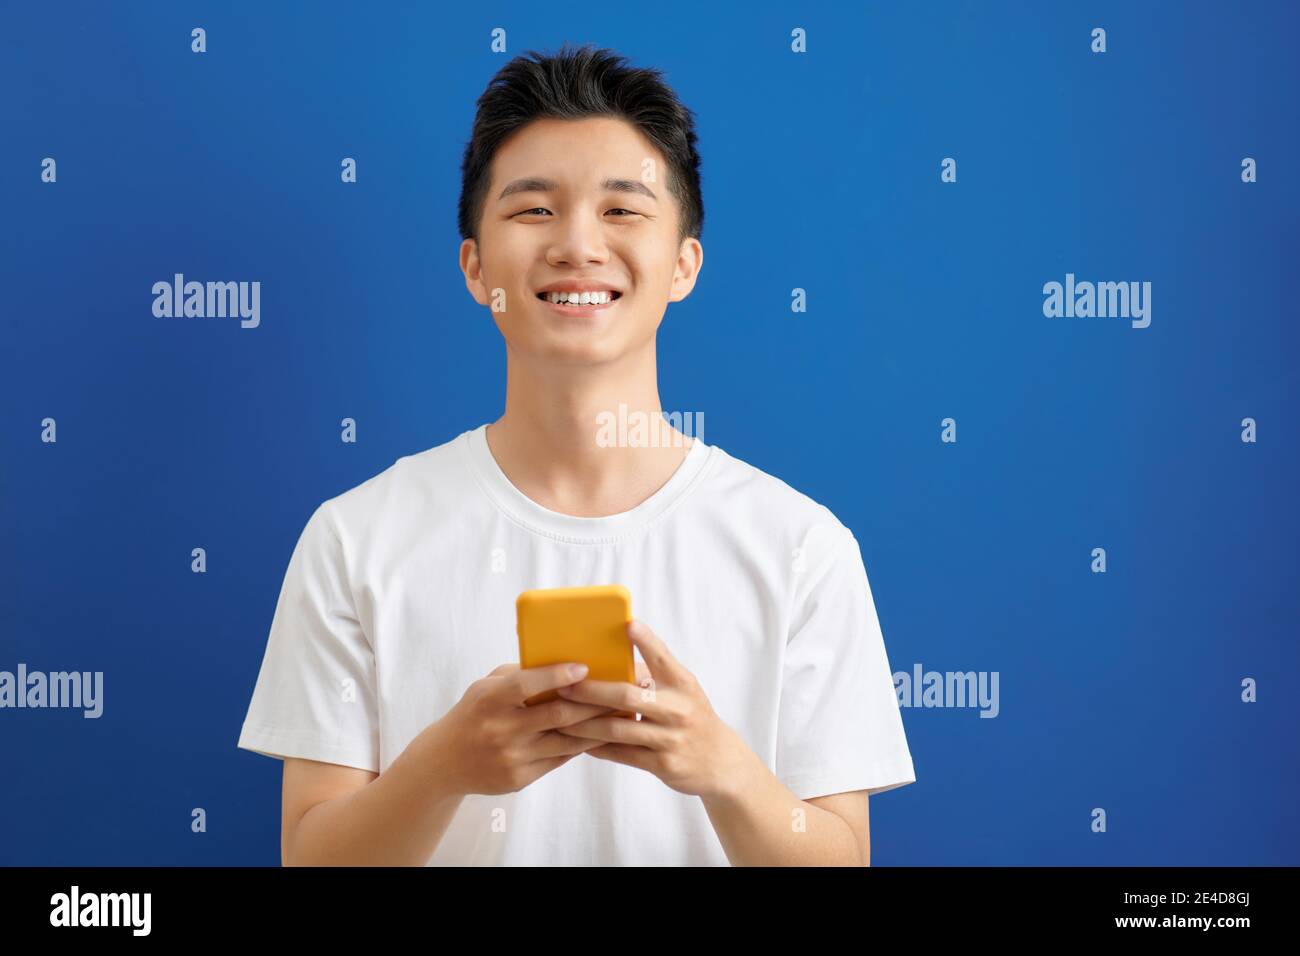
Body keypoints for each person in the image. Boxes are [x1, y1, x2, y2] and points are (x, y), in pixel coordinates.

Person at [237, 43, 915, 866]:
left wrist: (725, 770)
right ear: (475, 265)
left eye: (622, 209)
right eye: (533, 210)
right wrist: (444, 768)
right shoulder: (354, 540)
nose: (578, 245)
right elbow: (309, 856)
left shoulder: (803, 549)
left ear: (683, 265)